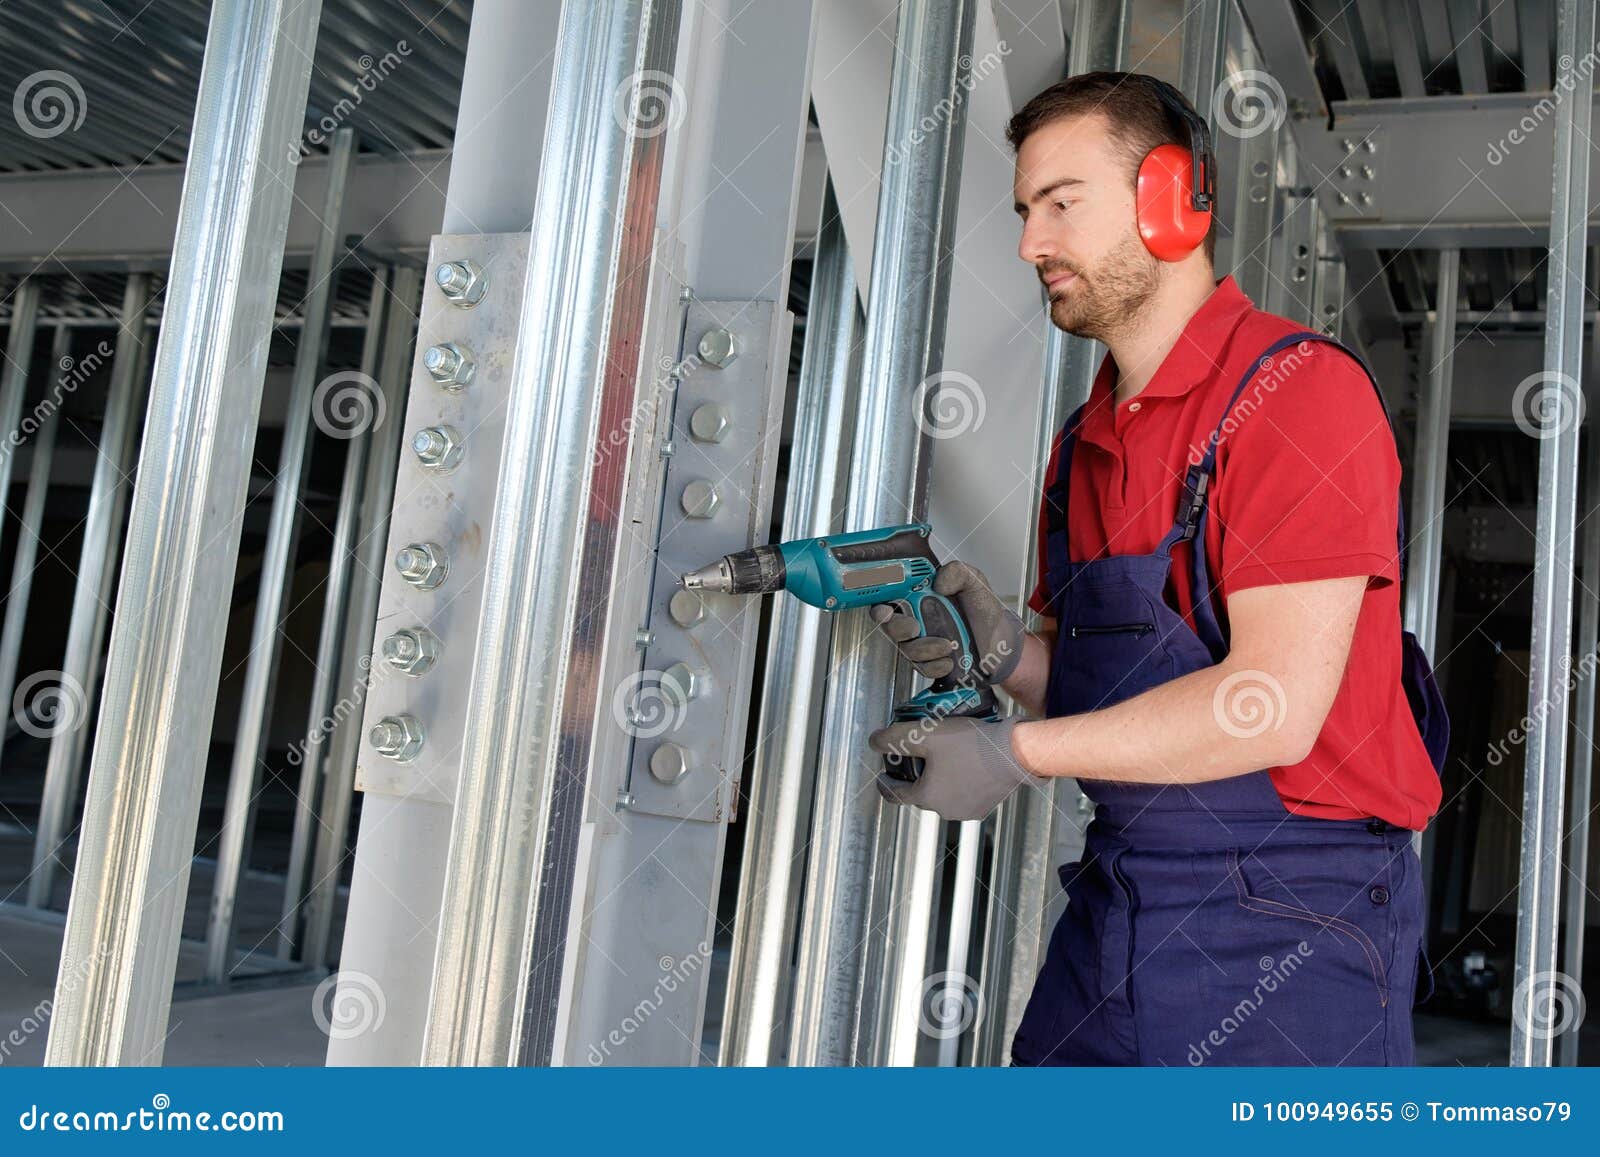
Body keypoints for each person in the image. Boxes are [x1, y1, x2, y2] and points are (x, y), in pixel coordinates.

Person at [866, 71, 1445, 1066]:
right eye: (1022, 211)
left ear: (1170, 197)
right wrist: (1006, 650)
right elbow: (1117, 686)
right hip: (1120, 897)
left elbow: (1270, 703)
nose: (1029, 244)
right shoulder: (1085, 439)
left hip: (1287, 921)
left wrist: (1013, 753)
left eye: (1060, 204)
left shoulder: (1296, 397)